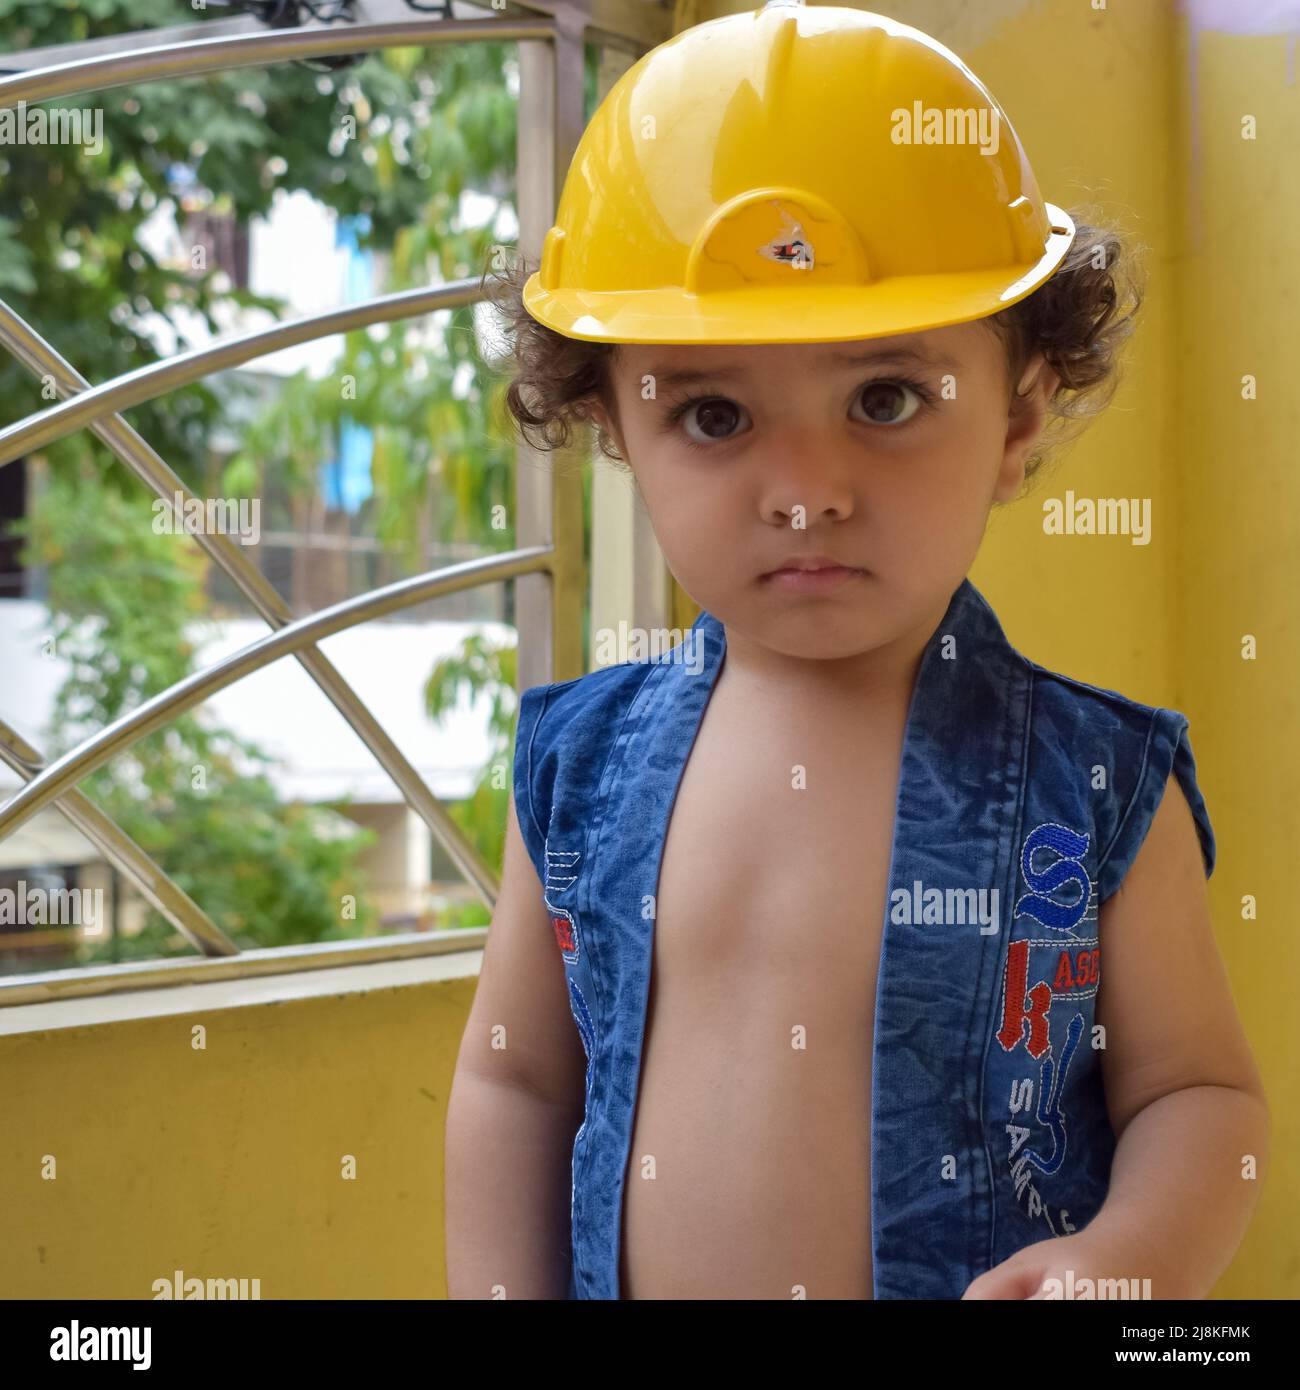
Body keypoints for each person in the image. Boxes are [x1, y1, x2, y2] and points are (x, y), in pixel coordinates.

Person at [444, 0, 1269, 1300]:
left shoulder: (1102, 781)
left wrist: (1124, 1259)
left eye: (885, 399)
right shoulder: (576, 770)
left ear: (1018, 414)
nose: (805, 490)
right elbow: (516, 1075)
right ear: (615, 431)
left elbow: (1199, 1092)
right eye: (714, 414)